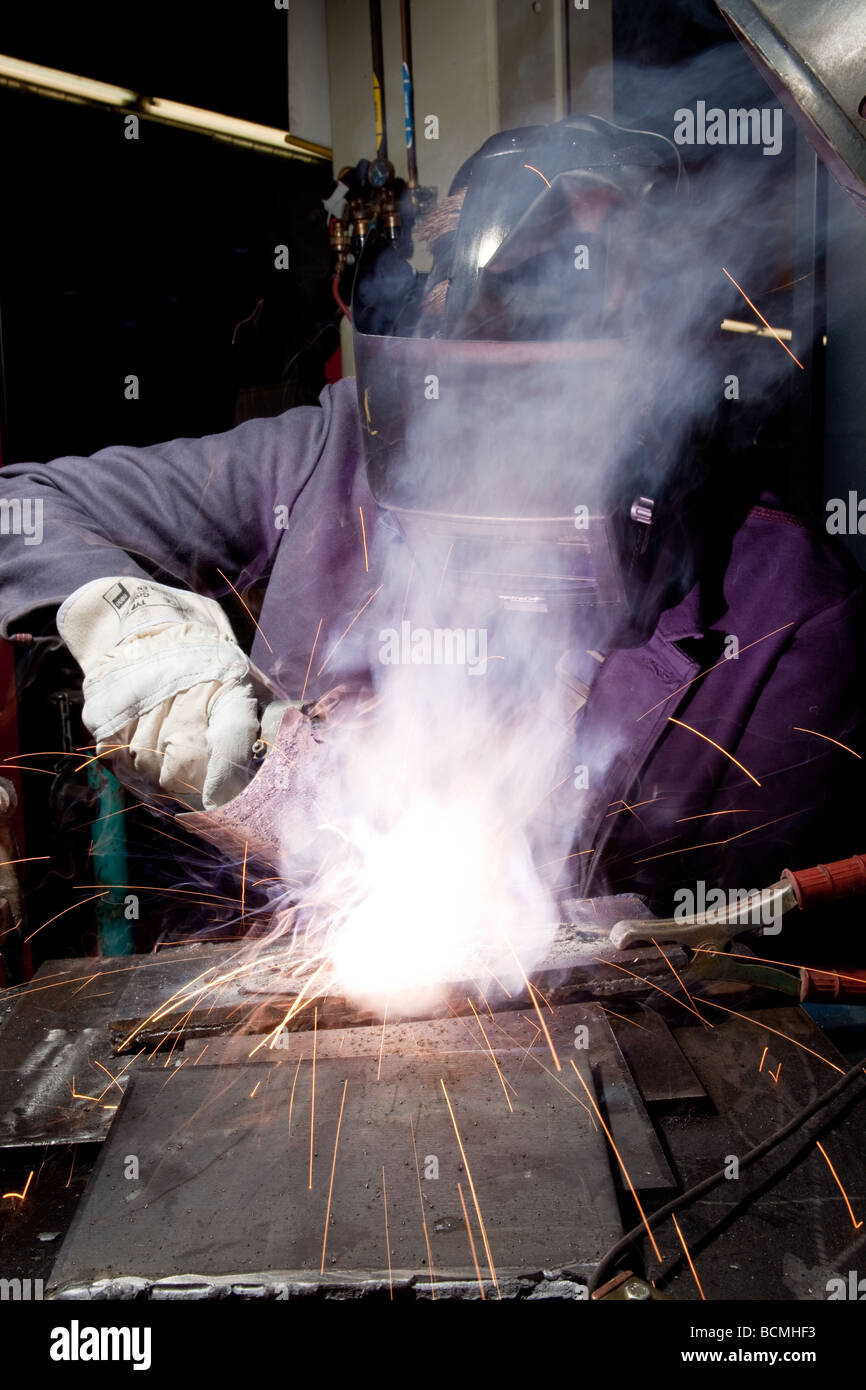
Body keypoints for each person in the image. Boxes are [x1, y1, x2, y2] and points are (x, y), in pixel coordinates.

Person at [0, 115, 862, 951]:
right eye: (489, 409)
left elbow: (745, 988)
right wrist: (130, 628)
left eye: (567, 422)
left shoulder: (789, 613)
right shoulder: (336, 451)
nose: (519, 459)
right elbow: (24, 504)